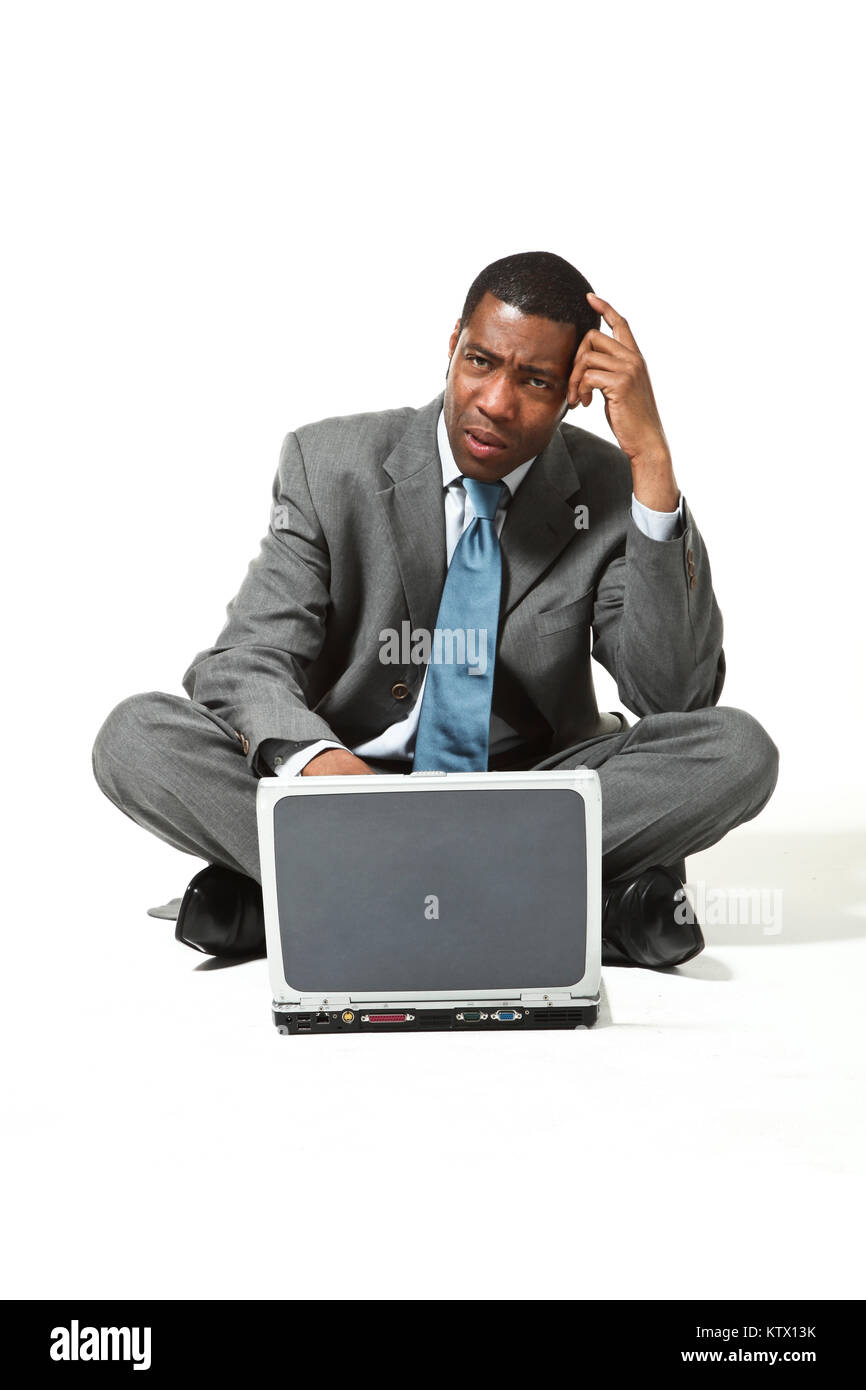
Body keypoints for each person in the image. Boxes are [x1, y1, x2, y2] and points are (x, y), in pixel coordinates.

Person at [92, 250, 779, 968]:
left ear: (576, 391)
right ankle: (573, 904)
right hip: (347, 789)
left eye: (535, 381)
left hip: (528, 794)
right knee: (137, 736)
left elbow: (675, 696)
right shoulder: (330, 465)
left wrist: (653, 465)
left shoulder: (606, 493)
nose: (495, 401)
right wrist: (328, 772)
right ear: (453, 345)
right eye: (481, 362)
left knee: (737, 751)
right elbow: (246, 663)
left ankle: (306, 894)